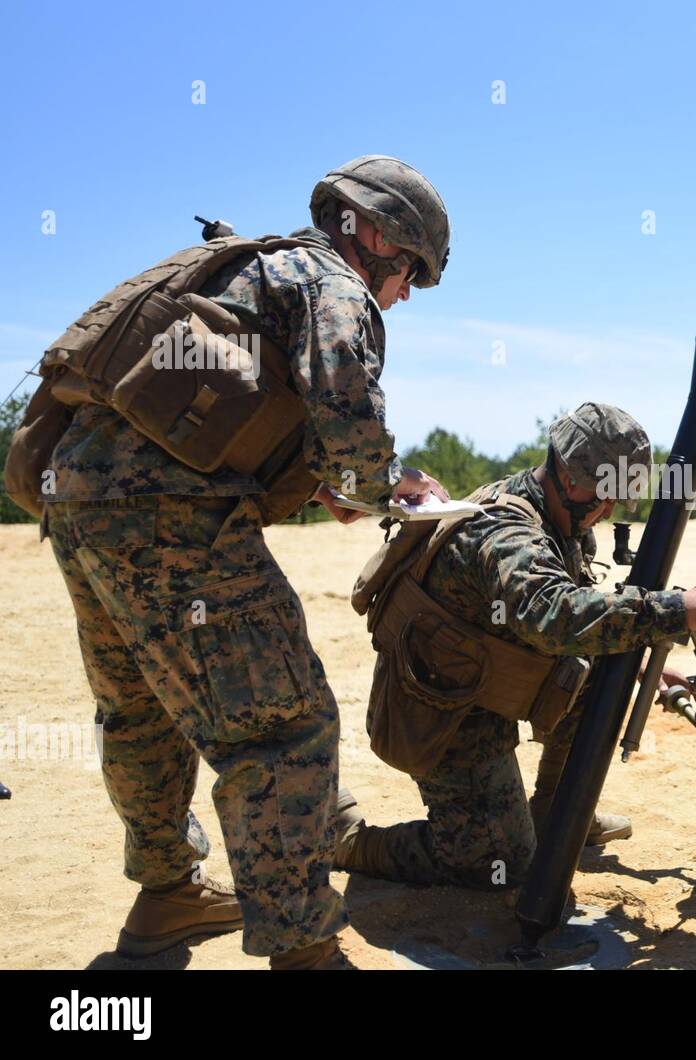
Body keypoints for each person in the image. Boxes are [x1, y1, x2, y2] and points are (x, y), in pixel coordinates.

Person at [35, 155, 451, 969]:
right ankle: (303, 951)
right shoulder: (333, 282)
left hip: (82, 498)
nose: (401, 293)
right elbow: (350, 419)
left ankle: (167, 895)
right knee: (285, 727)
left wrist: (337, 485)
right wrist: (385, 486)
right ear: (369, 233)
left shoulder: (258, 272)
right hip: (175, 516)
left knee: (143, 709)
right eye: (408, 271)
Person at [337, 402, 696, 890]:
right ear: (571, 477)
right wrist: (676, 610)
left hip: (486, 677)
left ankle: (560, 814)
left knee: (603, 682)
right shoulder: (507, 532)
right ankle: (348, 839)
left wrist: (640, 670)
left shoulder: (561, 513)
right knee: (500, 865)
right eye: (604, 495)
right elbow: (555, 615)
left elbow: (573, 612)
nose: (609, 510)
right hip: (440, 711)